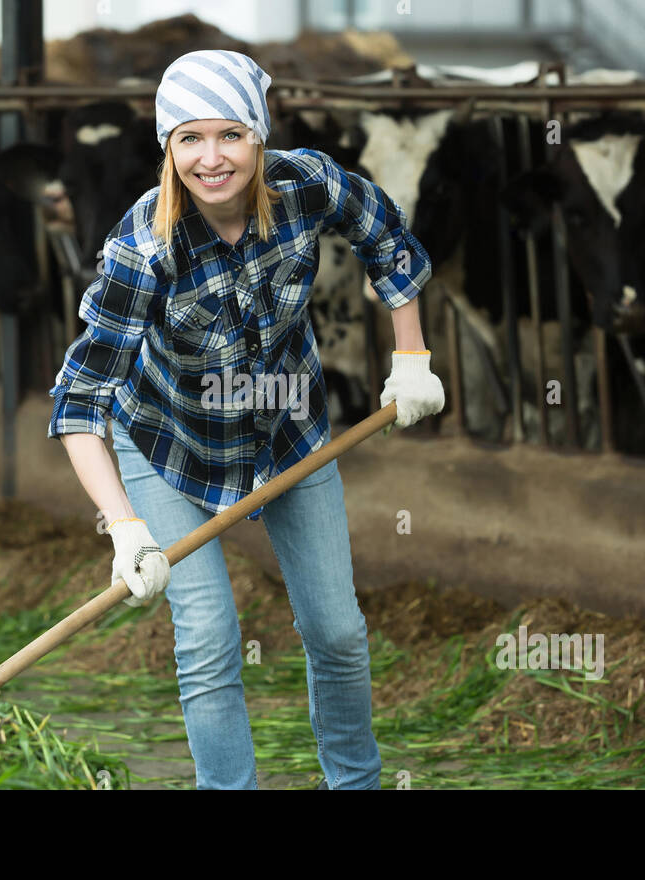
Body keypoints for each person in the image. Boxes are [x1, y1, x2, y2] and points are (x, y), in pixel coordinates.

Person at [47, 49, 444, 790]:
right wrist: (126, 528)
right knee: (208, 637)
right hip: (169, 448)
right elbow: (80, 399)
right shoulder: (142, 246)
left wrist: (411, 356)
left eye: (230, 134)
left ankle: (354, 784)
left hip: (290, 435)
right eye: (189, 139)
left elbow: (388, 240)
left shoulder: (308, 184)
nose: (211, 158)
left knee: (337, 632)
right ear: (168, 147)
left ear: (259, 137)